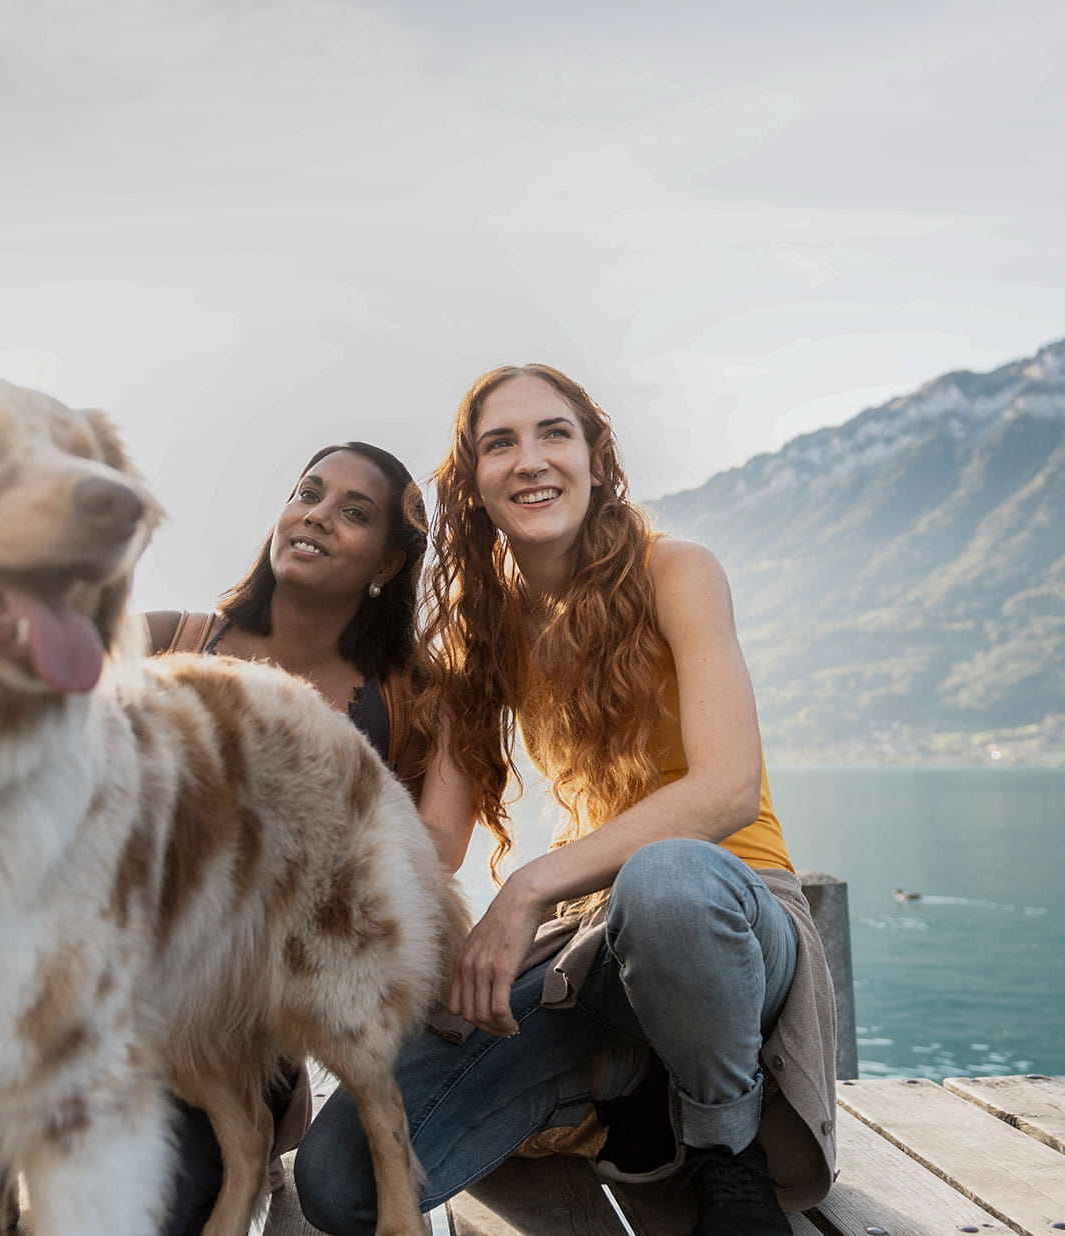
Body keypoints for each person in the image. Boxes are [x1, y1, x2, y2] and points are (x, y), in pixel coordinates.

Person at [293, 366, 838, 1236]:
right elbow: (436, 838)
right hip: (591, 950)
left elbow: (728, 787)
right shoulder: (483, 629)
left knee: (668, 887)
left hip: (727, 921)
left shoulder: (678, 570)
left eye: (553, 433)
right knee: (343, 1182)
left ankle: (726, 1154)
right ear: (472, 482)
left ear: (595, 454)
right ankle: (623, 1079)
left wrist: (528, 886)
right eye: (498, 443)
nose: (529, 460)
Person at [144, 440, 428, 1236]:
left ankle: (260, 1166)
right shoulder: (168, 637)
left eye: (354, 512)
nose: (318, 516)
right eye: (309, 492)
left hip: (269, 997)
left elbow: (424, 862)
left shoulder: (409, 700)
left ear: (387, 563)